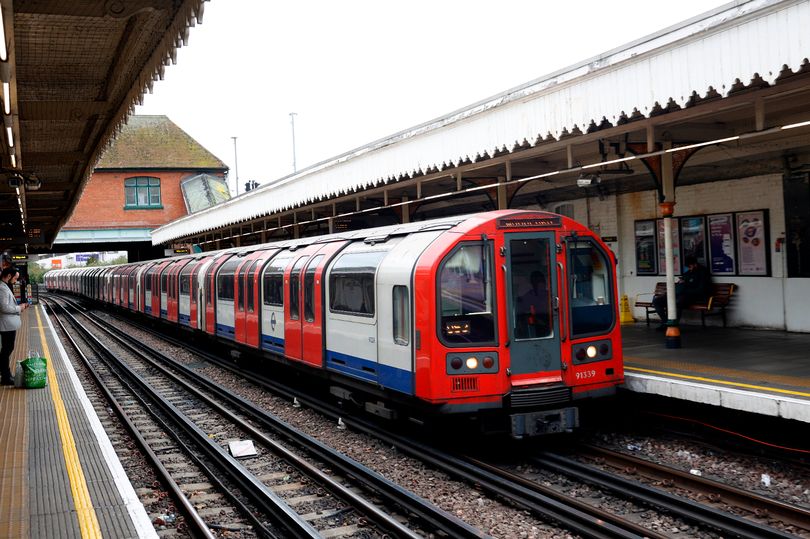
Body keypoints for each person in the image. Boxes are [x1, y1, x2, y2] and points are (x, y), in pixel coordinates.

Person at [652, 255, 712, 330]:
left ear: (695, 264)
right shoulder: (688, 273)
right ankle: (665, 322)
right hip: (681, 294)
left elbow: (701, 289)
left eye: (690, 266)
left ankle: (674, 324)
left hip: (694, 296)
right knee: (657, 301)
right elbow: (682, 283)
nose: (689, 269)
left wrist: (686, 286)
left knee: (678, 302)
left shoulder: (703, 272)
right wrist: (680, 284)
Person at [0, 266, 28, 385]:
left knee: (7, 349)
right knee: (7, 349)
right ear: (9, 276)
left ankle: (5, 374)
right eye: (15, 279)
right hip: (6, 325)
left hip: (7, 324)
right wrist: (19, 308)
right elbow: (4, 307)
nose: (15, 281)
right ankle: (6, 377)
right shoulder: (2, 288)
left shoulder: (4, 286)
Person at [517, 270, 551, 337]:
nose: (541, 284)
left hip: (551, 323)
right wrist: (536, 319)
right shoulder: (527, 297)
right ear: (533, 284)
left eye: (542, 281)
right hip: (534, 328)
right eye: (537, 281)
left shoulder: (550, 296)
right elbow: (522, 316)